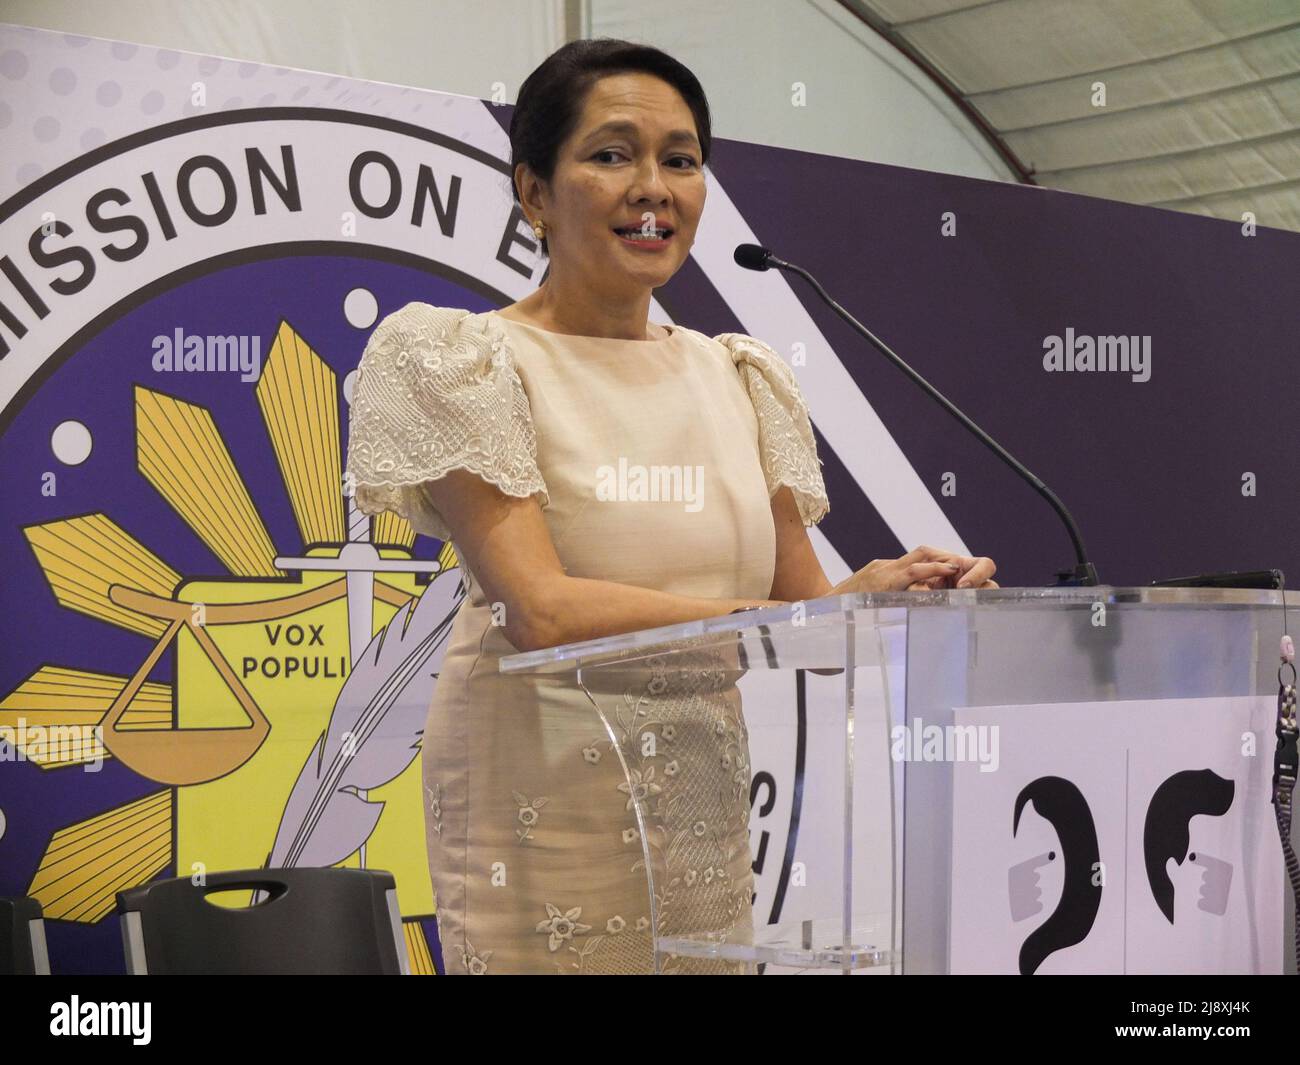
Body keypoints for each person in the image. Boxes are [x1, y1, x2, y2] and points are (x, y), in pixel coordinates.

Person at [345, 38, 997, 975]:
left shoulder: (738, 374)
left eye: (680, 160)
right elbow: (542, 610)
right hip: (540, 784)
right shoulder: (466, 361)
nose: (653, 186)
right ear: (534, 193)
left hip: (704, 784)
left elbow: (796, 603)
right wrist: (763, 618)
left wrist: (879, 591)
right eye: (611, 155)